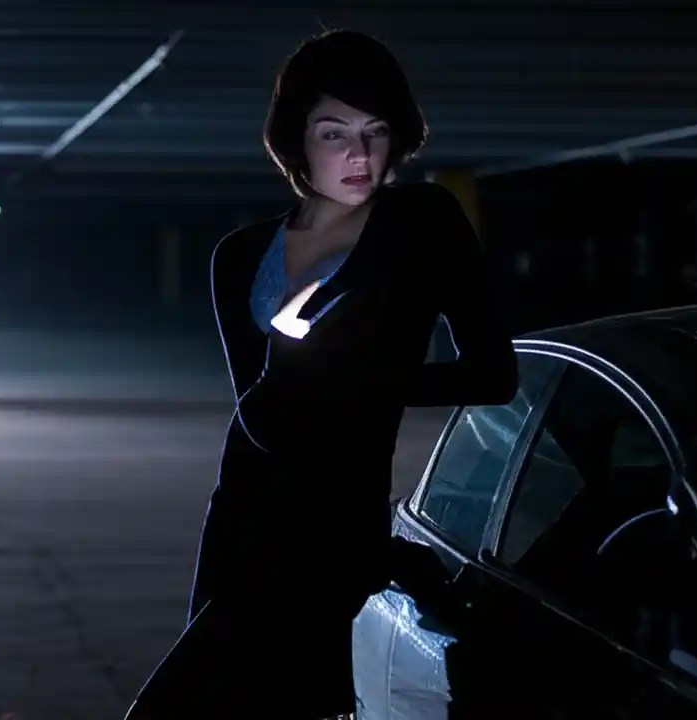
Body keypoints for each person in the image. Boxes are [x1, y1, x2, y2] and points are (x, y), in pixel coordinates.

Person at [125, 29, 519, 719]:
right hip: (244, 529)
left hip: (338, 536)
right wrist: (289, 384)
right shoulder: (240, 256)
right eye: (334, 132)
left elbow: (494, 374)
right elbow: (253, 412)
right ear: (294, 141)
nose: (360, 155)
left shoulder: (422, 221)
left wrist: (362, 382)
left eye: (376, 131)